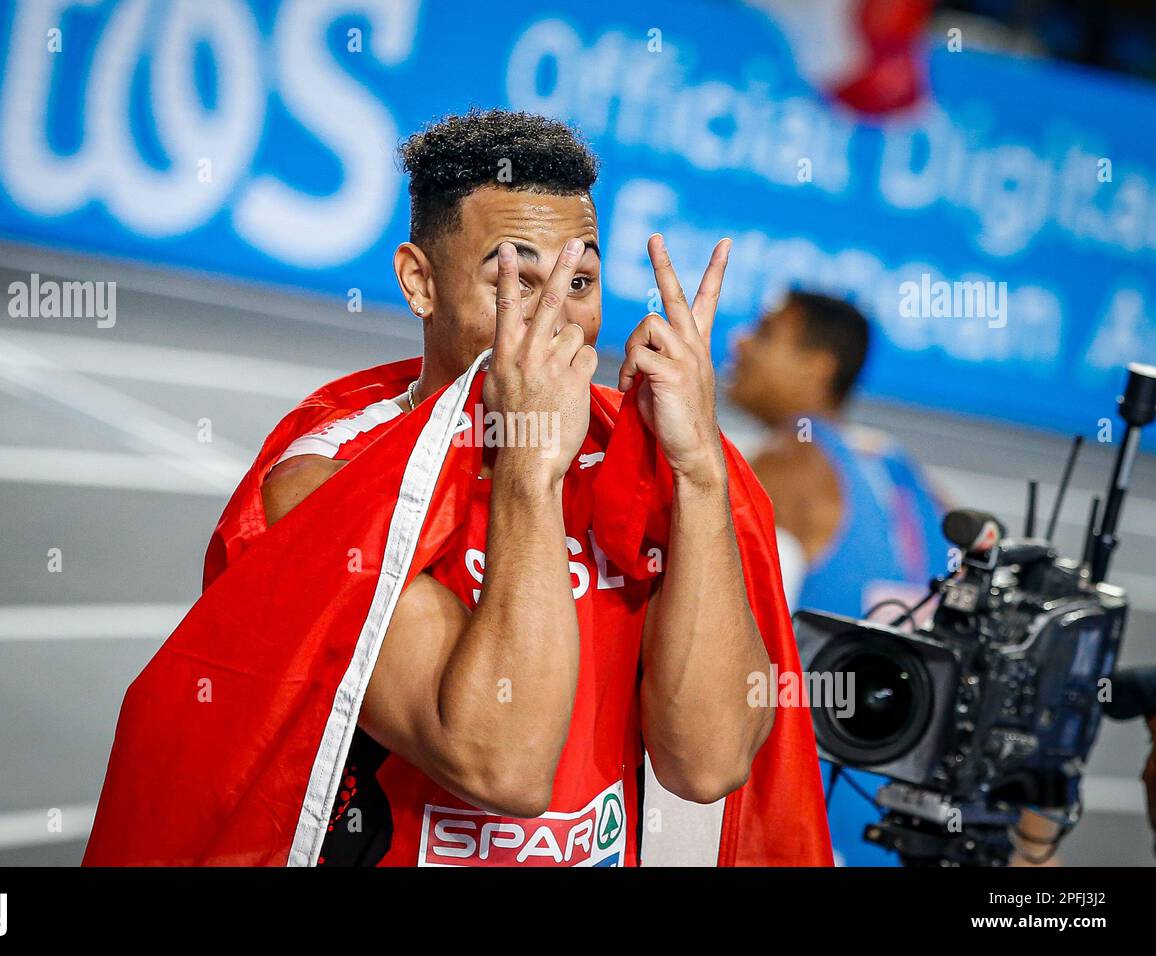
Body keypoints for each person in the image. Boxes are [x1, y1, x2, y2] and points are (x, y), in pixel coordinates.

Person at [83, 109, 832, 867]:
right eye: (513, 279)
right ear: (420, 282)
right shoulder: (328, 486)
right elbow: (501, 763)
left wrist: (700, 471)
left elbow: (710, 762)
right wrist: (531, 469)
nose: (557, 321)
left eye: (580, 281)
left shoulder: (647, 464)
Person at [726, 291, 950, 866]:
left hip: (809, 827)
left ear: (817, 365)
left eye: (766, 332)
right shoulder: (900, 468)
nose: (739, 342)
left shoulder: (785, 467)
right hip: (901, 819)